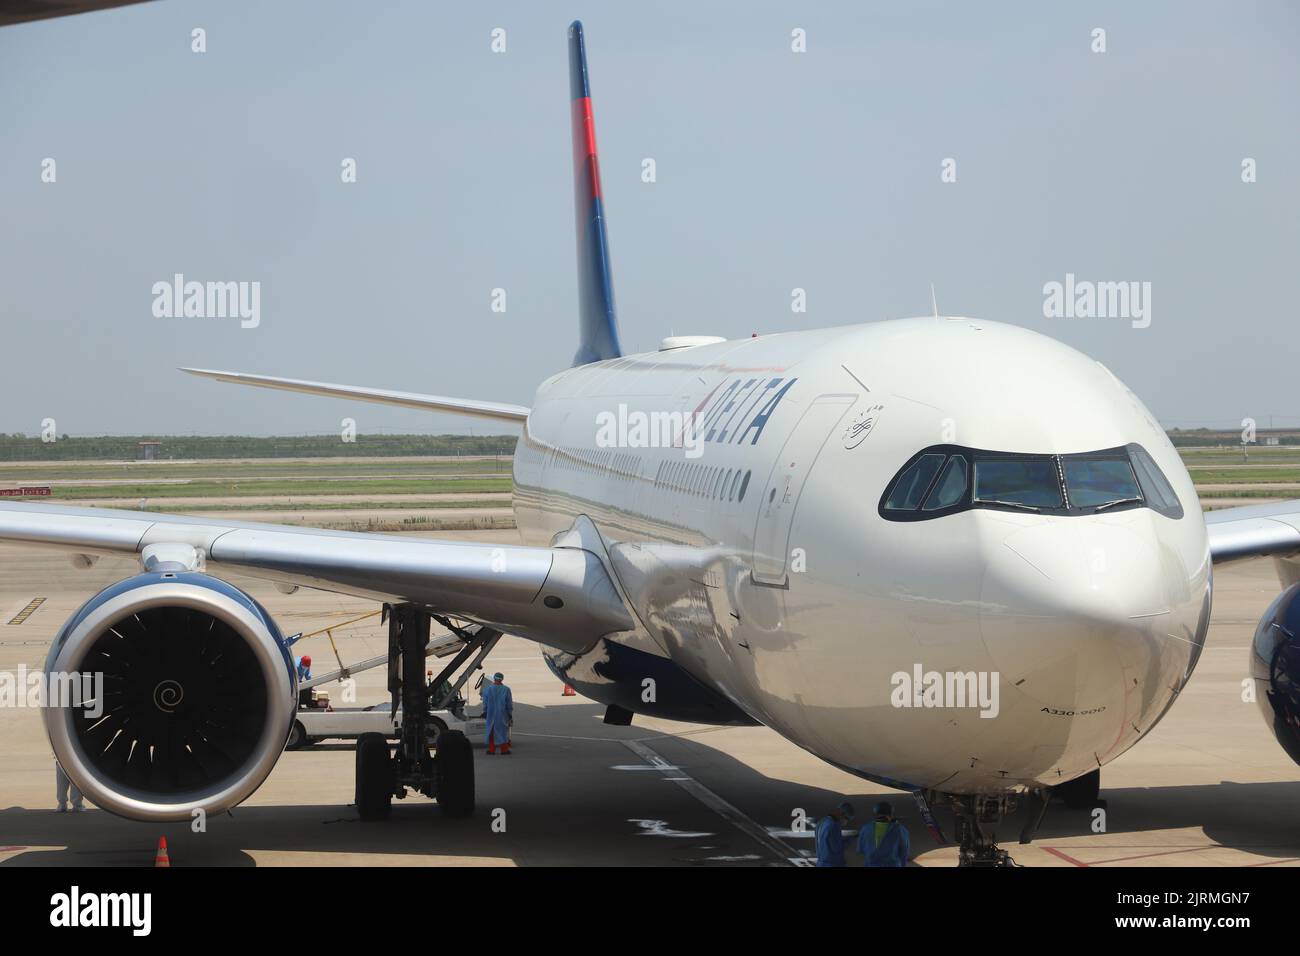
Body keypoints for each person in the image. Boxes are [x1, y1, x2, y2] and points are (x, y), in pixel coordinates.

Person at [857, 801, 910, 867]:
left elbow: (860, 849)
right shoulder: (900, 830)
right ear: (891, 814)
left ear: (875, 813)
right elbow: (904, 853)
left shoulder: (865, 828)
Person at [481, 672, 513, 755]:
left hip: (491, 713)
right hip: (502, 714)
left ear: (494, 679)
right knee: (502, 731)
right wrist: (509, 713)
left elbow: (485, 702)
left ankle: (492, 750)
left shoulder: (487, 689)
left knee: (491, 731)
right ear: (502, 679)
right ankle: (504, 750)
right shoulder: (506, 689)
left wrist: (484, 711)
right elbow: (509, 703)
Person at [814, 801, 854, 866]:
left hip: (820, 863)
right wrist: (849, 840)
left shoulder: (821, 822)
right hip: (832, 863)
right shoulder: (834, 825)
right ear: (842, 814)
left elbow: (825, 842)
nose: (846, 822)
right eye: (847, 818)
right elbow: (836, 848)